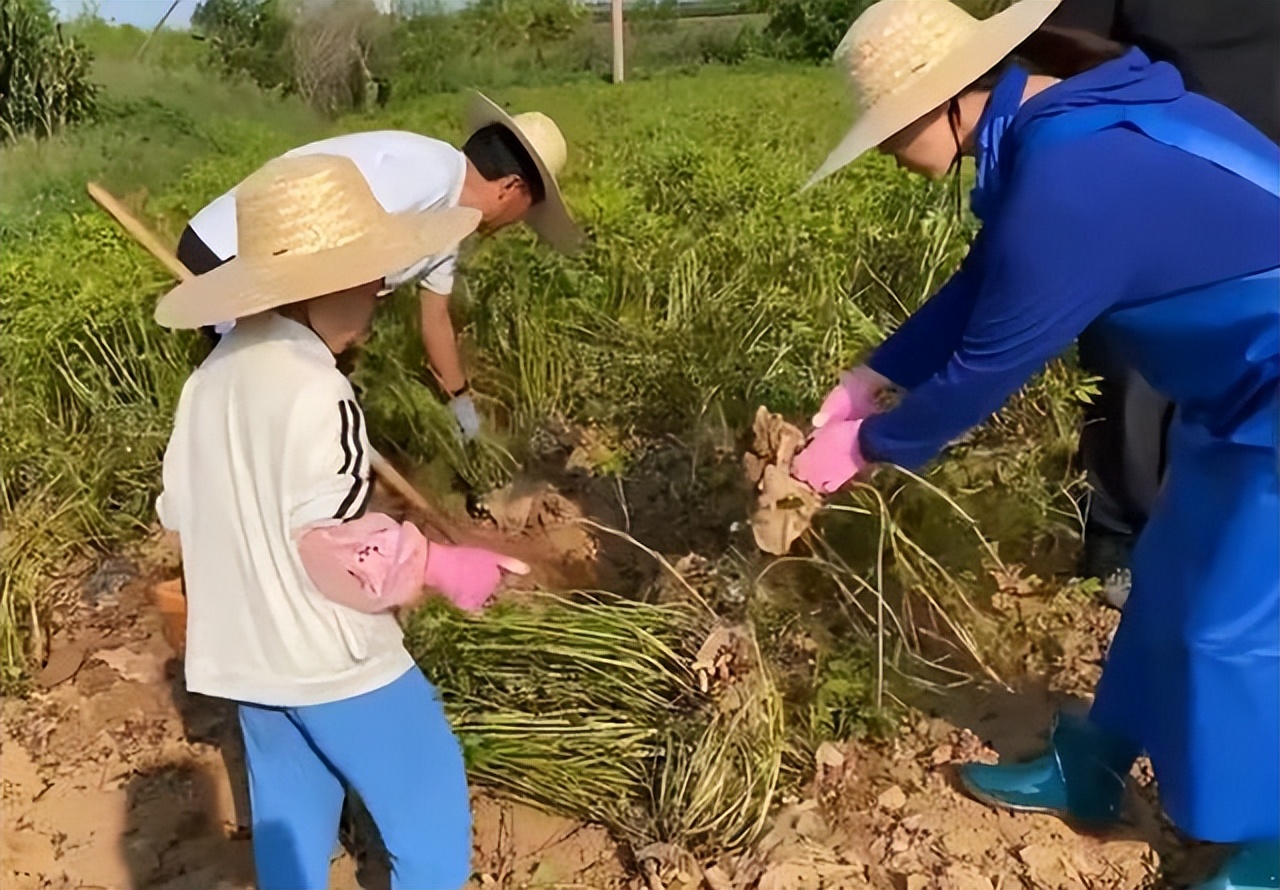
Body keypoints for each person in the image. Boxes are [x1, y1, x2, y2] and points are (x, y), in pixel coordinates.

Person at [792, 1, 1279, 887]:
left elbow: (989, 362)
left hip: (1272, 392)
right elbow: (990, 275)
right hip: (1242, 391)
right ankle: (1093, 765)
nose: (886, 152)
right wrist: (874, 373)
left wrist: (869, 446)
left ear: (945, 103)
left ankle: (1267, 843)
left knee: (1227, 627)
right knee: (1167, 581)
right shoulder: (1061, 128)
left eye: (887, 130)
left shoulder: (1075, 175)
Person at [156, 153, 530, 890]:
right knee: (429, 813)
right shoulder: (316, 389)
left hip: (245, 660)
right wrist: (438, 565)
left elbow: (178, 511)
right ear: (319, 286)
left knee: (292, 829)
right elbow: (334, 553)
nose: (380, 290)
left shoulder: (208, 380)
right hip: (330, 662)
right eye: (368, 275)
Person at [1042, 0, 1280, 608]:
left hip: (1265, 188)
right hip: (1156, 179)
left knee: (1253, 377)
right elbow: (1062, 47)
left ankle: (1221, 542)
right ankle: (1119, 533)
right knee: (1132, 367)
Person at [176, 90, 581, 441]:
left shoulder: (448, 220)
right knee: (274, 407)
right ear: (511, 188)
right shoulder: (425, 174)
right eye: (528, 210)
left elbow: (435, 319)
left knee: (300, 403)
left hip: (283, 283)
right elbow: (339, 254)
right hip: (232, 254)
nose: (518, 223)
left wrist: (461, 403)